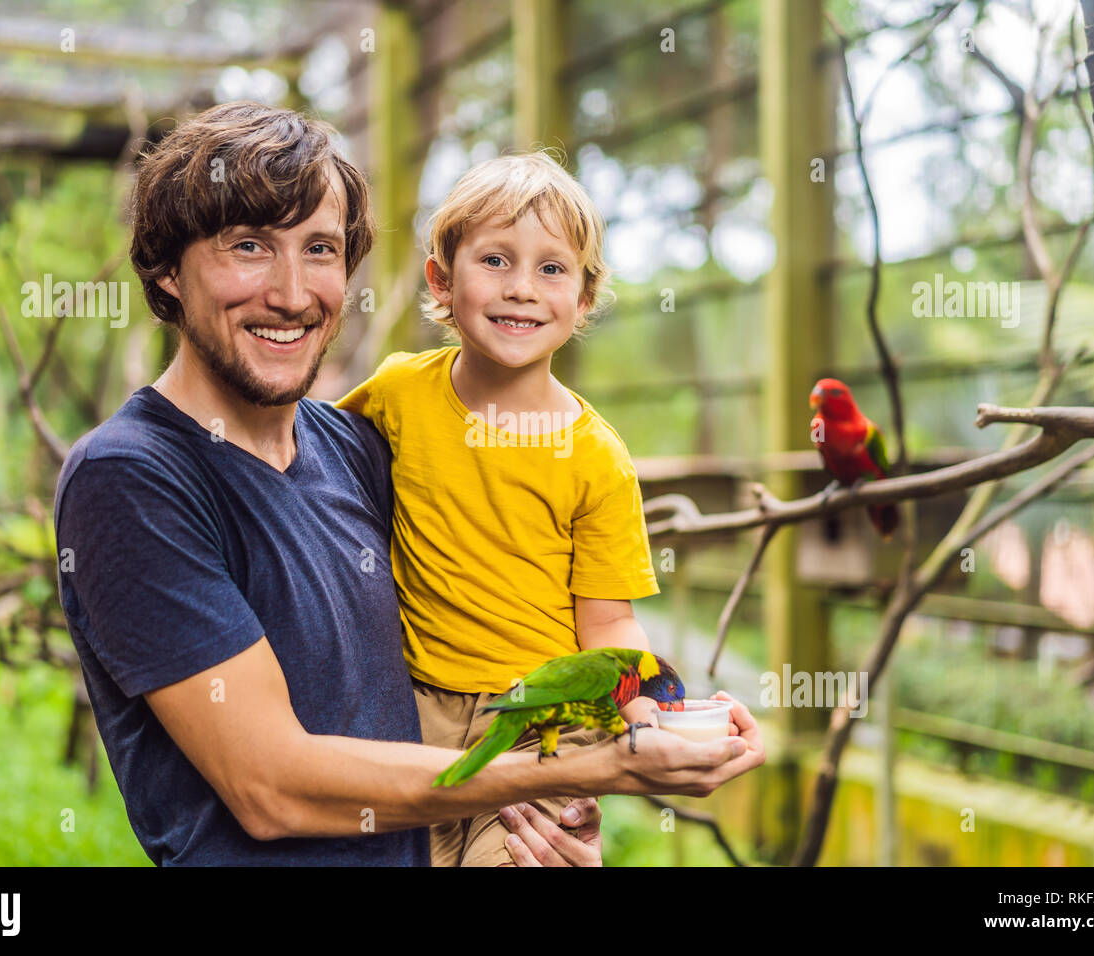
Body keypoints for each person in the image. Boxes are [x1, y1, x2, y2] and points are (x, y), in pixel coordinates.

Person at [53, 101, 764, 866]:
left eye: (320, 249)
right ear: (166, 268)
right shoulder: (133, 479)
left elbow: (519, 571)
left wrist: (555, 813)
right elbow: (272, 788)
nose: (293, 293)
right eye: (250, 246)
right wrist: (595, 767)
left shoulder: (358, 445)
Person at [335, 152, 709, 866]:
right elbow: (311, 478)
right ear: (442, 280)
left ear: (586, 296)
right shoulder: (397, 393)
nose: (522, 290)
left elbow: (606, 620)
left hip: (545, 725)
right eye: (496, 260)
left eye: (551, 269)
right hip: (408, 709)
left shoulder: (597, 457)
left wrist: (647, 715)